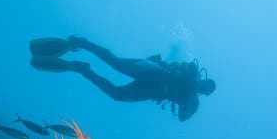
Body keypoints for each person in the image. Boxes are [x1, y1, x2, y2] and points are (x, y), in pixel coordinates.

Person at [29, 36, 216, 121]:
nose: (202, 86)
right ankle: (82, 43)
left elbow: (182, 118)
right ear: (204, 78)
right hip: (155, 72)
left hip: (153, 90)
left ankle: (84, 70)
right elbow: (171, 68)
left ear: (205, 93)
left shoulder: (193, 100)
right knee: (117, 64)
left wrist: (190, 103)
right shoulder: (190, 71)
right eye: (205, 84)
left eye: (205, 89)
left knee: (117, 95)